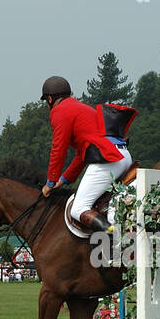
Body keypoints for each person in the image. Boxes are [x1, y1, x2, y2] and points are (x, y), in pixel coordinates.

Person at [37, 75, 134, 234]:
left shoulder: (59, 111)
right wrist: (63, 180)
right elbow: (82, 155)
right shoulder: (78, 107)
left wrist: (50, 182)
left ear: (49, 99)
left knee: (78, 209)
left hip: (108, 161)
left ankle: (114, 237)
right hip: (123, 156)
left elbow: (58, 149)